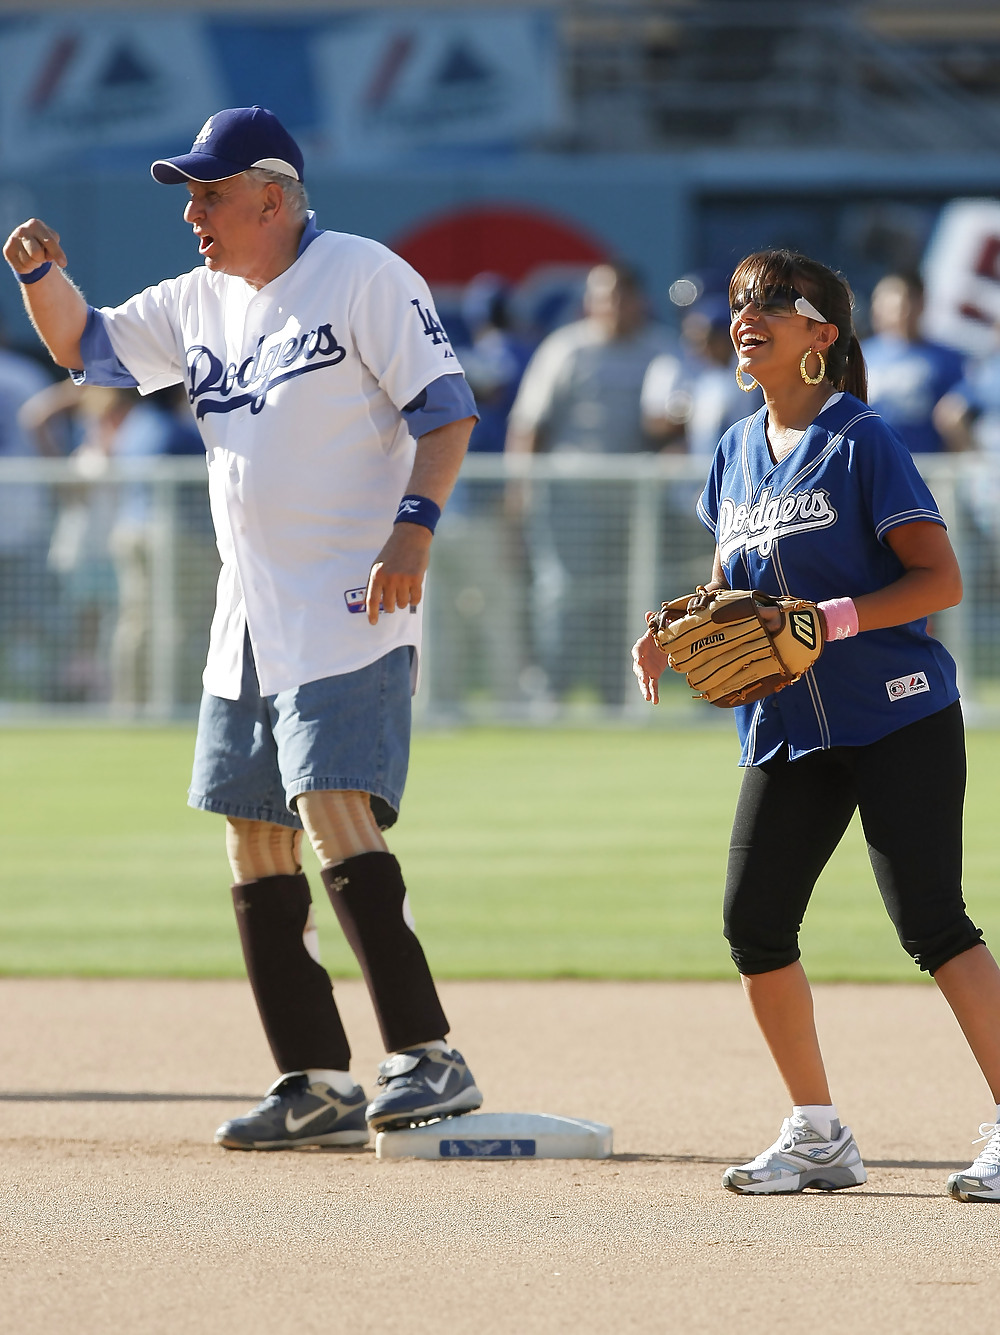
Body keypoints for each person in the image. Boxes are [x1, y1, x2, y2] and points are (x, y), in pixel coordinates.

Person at [4, 105, 482, 1149]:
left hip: (352, 600)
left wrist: (412, 532)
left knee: (328, 806)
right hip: (248, 612)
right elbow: (86, 348)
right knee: (250, 829)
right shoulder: (199, 299)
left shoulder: (362, 274)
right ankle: (313, 1079)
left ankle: (428, 1053)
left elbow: (446, 409)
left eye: (209, 194)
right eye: (187, 195)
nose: (192, 214)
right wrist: (41, 278)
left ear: (273, 196)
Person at [631, 249, 1000, 1203]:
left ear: (821, 336)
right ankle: (820, 1134)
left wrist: (830, 619)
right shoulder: (733, 449)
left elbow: (940, 580)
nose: (745, 314)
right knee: (753, 922)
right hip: (789, 720)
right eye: (738, 299)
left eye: (770, 303)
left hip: (895, 710)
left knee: (931, 921)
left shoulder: (860, 440)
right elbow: (735, 589)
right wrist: (678, 626)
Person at [507, 262, 674, 705]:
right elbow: (529, 425)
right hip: (567, 501)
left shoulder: (661, 352)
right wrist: (517, 491)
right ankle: (552, 695)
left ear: (639, 300)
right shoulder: (566, 349)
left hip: (633, 507)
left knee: (626, 601)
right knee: (562, 594)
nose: (612, 306)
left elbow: (675, 427)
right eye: (603, 296)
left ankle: (618, 698)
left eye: (621, 295)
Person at [863, 272, 965, 455]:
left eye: (901, 304)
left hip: (925, 467)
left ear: (920, 304)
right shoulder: (862, 356)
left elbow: (956, 418)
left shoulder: (946, 359)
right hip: (874, 462)